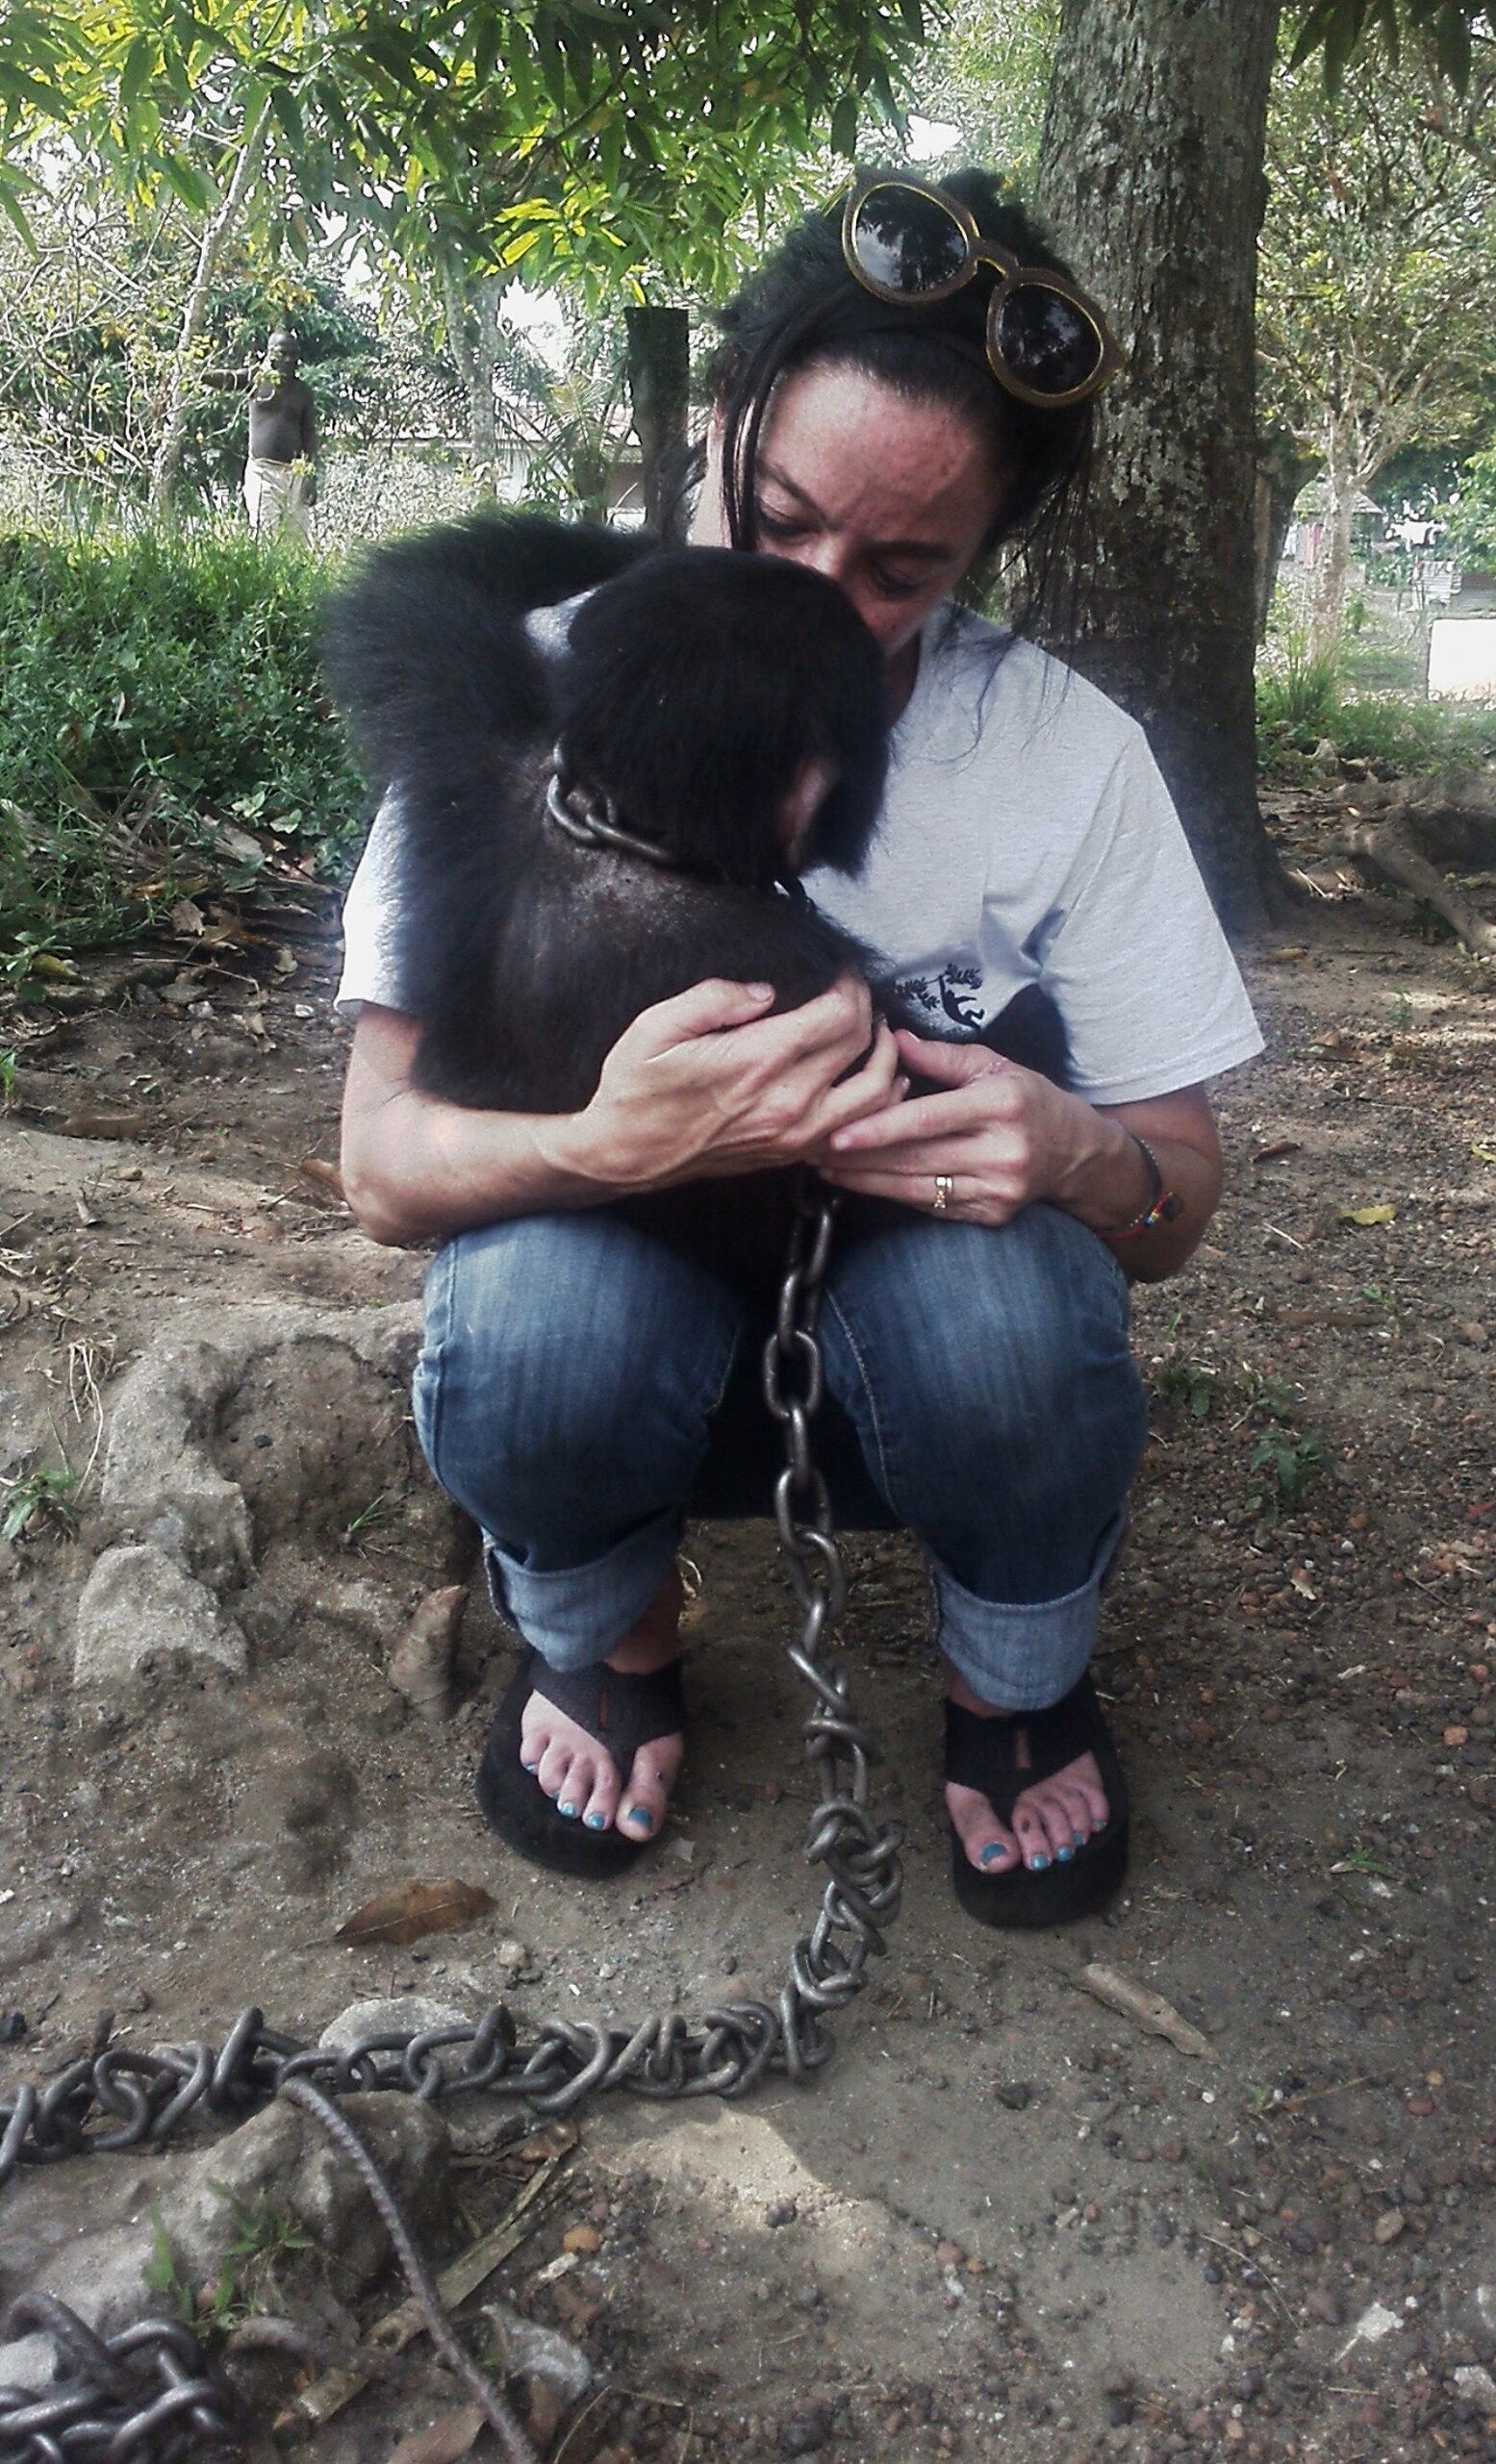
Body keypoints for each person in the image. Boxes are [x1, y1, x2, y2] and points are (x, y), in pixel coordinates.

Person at [337, 167, 1264, 1928]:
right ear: (715, 429)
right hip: (627, 1333)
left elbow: (1172, 1198)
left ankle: (1008, 1676)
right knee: (531, 1307)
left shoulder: (1063, 755)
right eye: (771, 521)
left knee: (1013, 1301)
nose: (824, 603)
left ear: (985, 554)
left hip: (899, 1357)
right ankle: (610, 1625)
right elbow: (380, 1164)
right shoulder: (538, 701)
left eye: (900, 568)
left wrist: (1073, 1152)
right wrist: (601, 1146)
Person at [240, 329, 317, 543]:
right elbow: (226, 379)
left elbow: (309, 435)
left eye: (293, 355)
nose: (288, 360)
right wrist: (195, 374)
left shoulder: (303, 391)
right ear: (270, 354)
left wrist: (310, 477)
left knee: (297, 544)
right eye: (282, 354)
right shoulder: (255, 381)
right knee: (265, 539)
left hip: (295, 475)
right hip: (262, 472)